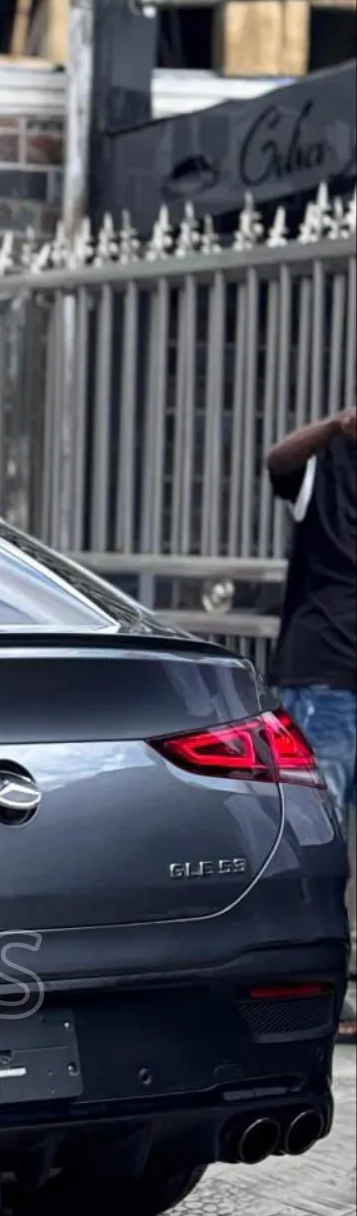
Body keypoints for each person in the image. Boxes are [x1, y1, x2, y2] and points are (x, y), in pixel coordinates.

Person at [267, 407, 356, 1038]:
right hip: (324, 672)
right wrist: (335, 426)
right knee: (317, 839)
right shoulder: (325, 462)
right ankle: (309, 982)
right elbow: (278, 459)